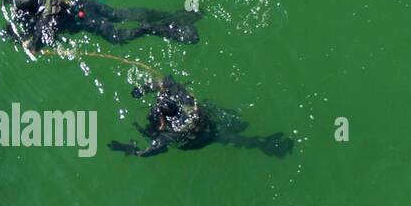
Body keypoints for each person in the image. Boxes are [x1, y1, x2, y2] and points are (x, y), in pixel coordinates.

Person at [0, 0, 199, 59]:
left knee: (118, 36)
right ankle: (175, 16)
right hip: (86, 4)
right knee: (118, 14)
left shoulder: (46, 21)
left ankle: (150, 28)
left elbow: (38, 44)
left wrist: (26, 42)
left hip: (85, 19)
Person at [108, 74, 294, 158]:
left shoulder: (169, 133)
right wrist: (146, 88)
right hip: (208, 123)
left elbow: (149, 151)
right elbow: (167, 81)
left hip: (199, 140)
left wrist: (126, 148)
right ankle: (264, 143)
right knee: (231, 135)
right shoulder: (184, 99)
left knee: (227, 138)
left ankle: (265, 145)